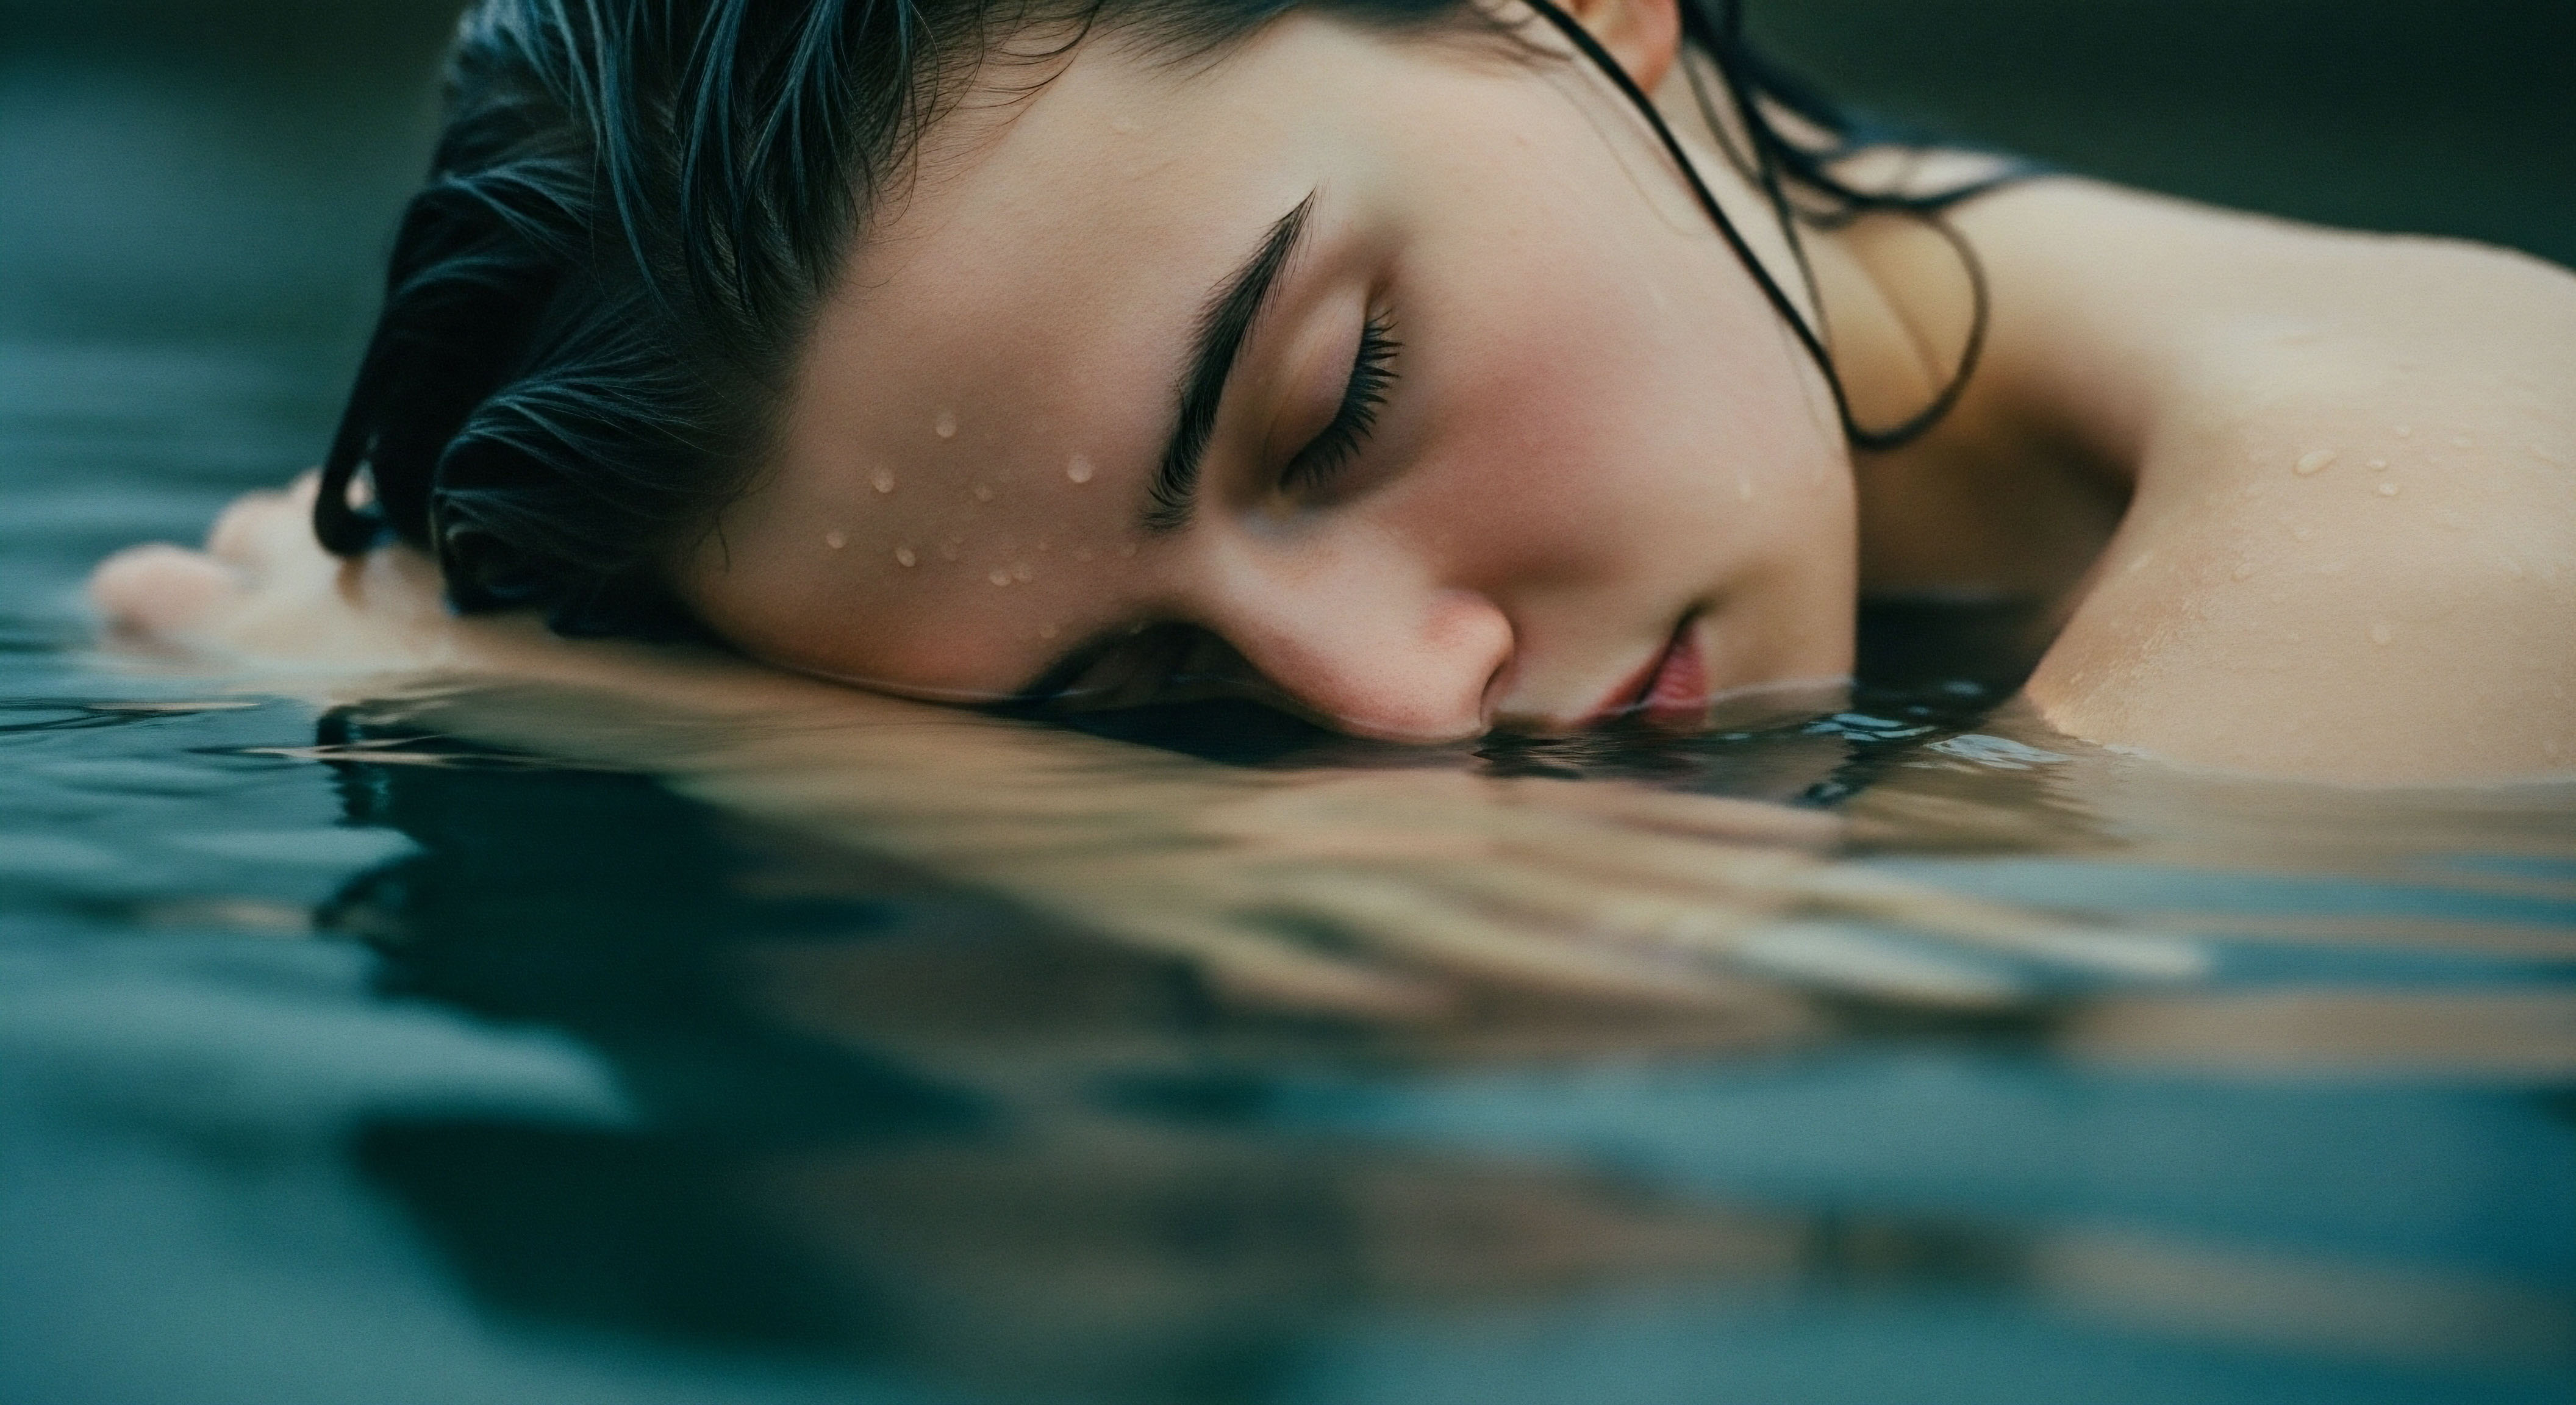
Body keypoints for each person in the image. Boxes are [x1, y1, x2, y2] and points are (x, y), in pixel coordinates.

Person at [90, 0, 2575, 790]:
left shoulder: (2449, 506)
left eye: (1338, 398)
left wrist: (601, 725)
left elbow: (1738, 983)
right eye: (1144, 687)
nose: (1406, 710)